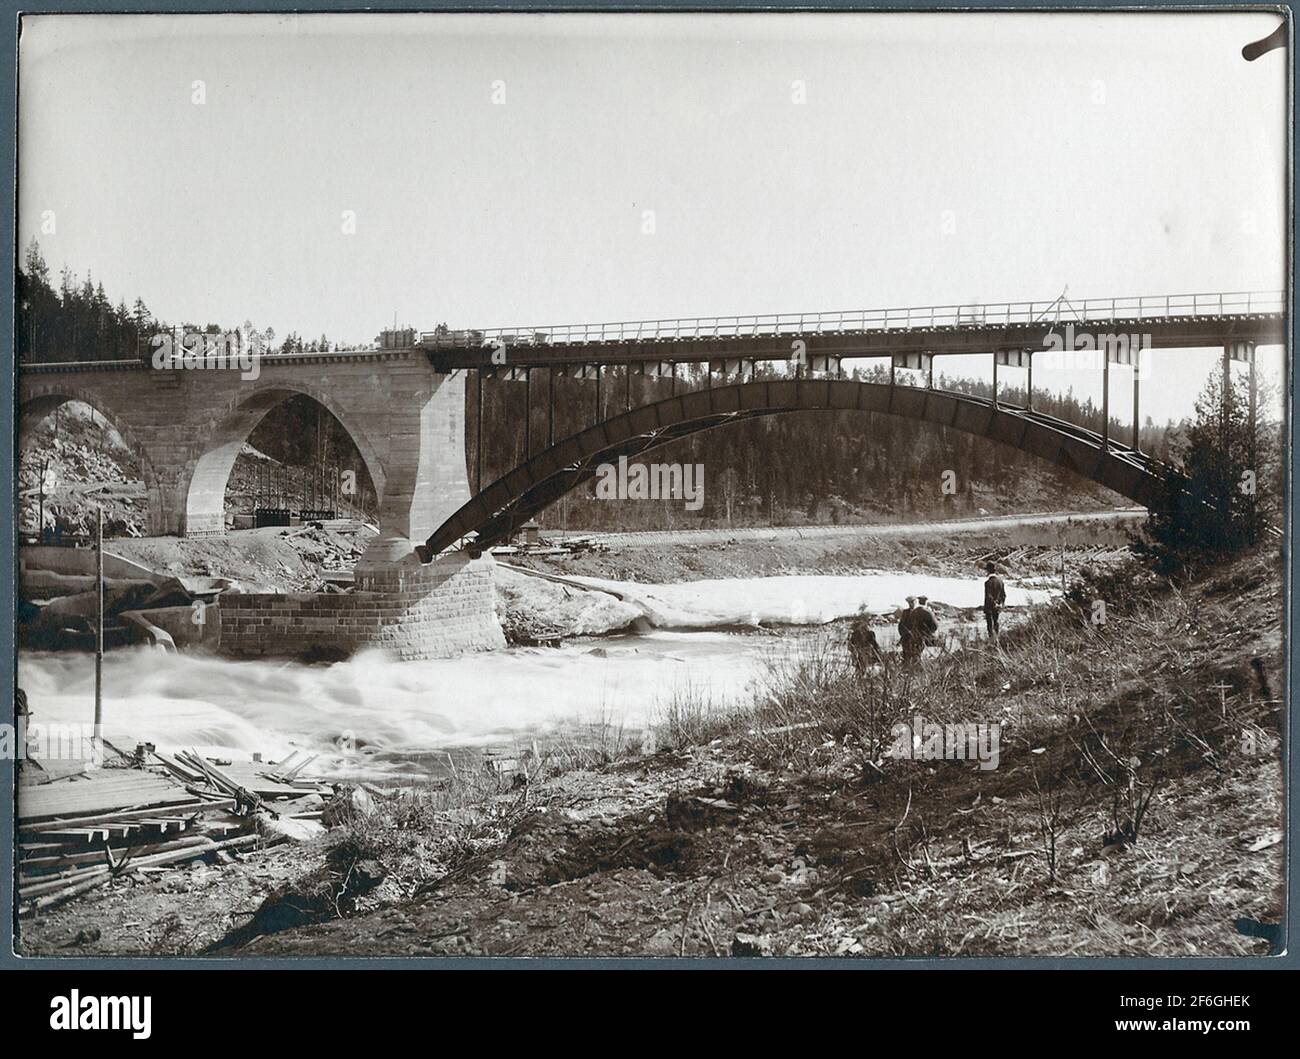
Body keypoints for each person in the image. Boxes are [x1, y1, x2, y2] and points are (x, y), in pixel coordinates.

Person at [848, 605, 881, 675]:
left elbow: (875, 645)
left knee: (869, 671)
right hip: (860, 655)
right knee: (860, 671)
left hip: (868, 655)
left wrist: (878, 653)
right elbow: (850, 646)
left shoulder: (871, 634)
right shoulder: (855, 635)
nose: (864, 627)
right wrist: (855, 652)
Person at [983, 562, 1006, 638]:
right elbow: (1004, 595)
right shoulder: (1000, 582)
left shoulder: (988, 583)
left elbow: (988, 596)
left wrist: (993, 603)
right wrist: (1001, 604)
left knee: (989, 624)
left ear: (988, 571)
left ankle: (991, 639)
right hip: (997, 606)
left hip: (989, 606)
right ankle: (997, 637)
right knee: (996, 622)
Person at [898, 595, 919, 663]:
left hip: (917, 638)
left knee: (916, 655)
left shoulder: (920, 611)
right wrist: (903, 634)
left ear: (916, 602)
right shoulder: (905, 612)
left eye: (912, 602)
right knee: (906, 655)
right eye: (909, 603)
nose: (911, 604)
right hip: (906, 637)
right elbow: (901, 625)